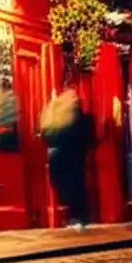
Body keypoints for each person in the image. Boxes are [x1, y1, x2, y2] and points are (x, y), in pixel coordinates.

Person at [41, 89, 92, 230]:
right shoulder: (64, 117)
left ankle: (75, 217)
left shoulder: (65, 117)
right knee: (70, 188)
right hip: (66, 156)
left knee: (70, 188)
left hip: (65, 156)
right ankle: (76, 217)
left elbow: (47, 135)